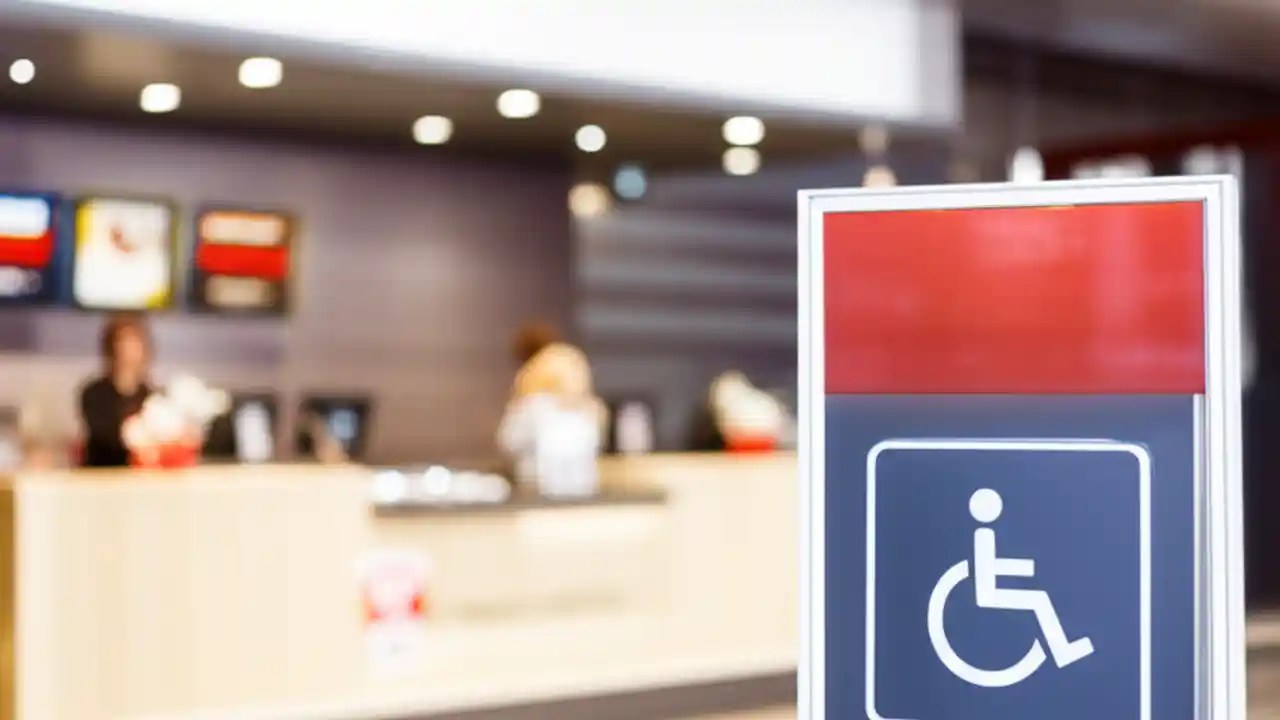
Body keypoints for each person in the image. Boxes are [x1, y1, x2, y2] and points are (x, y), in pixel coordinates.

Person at [79, 313, 154, 467]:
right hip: (101, 475)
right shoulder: (93, 393)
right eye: (124, 343)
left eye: (135, 344)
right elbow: (105, 437)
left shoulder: (151, 397)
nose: (130, 352)